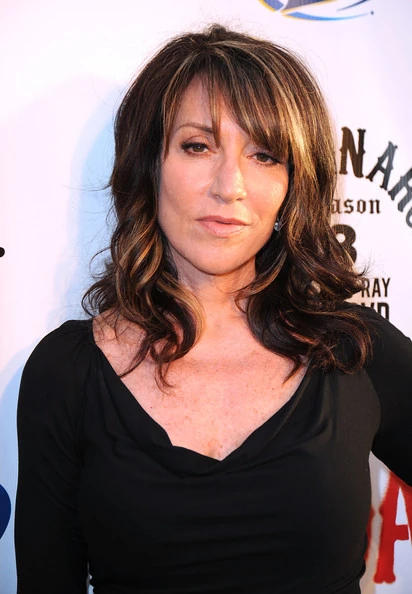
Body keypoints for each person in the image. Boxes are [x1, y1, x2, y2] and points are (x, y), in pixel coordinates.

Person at [15, 24, 412, 594]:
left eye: (264, 155)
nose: (230, 186)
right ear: (148, 164)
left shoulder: (354, 350)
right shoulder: (66, 372)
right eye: (198, 146)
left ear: (293, 185)